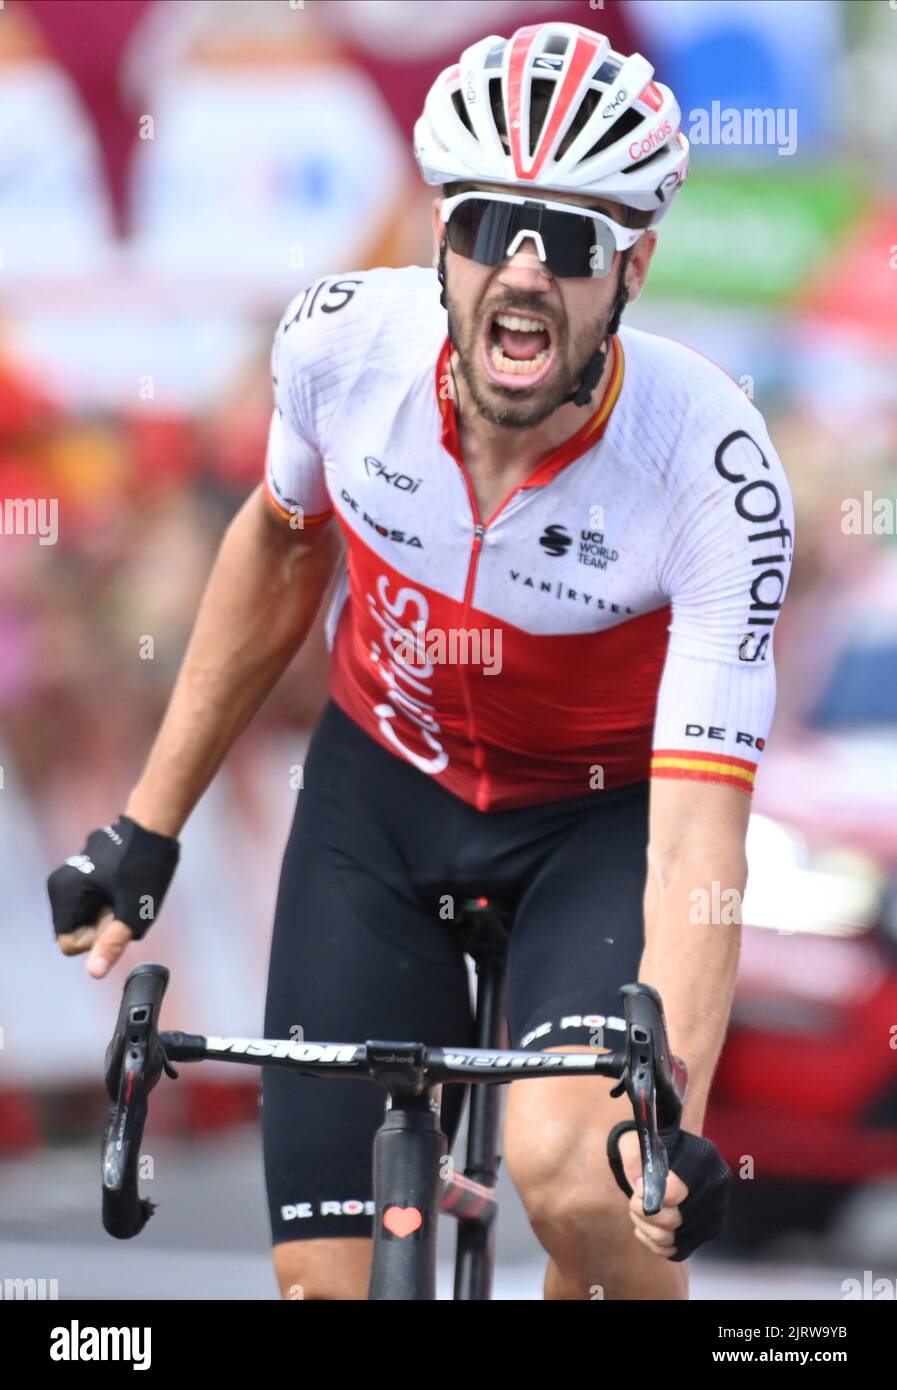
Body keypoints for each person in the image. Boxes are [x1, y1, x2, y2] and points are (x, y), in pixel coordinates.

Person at [47, 22, 793, 1300]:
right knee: (323, 1290)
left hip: (598, 826)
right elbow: (280, 552)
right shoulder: (340, 348)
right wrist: (146, 826)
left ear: (634, 270)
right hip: (379, 798)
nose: (521, 272)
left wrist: (667, 1115)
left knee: (582, 1181)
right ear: (436, 239)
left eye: (567, 243)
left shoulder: (711, 465)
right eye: (488, 226)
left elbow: (696, 845)